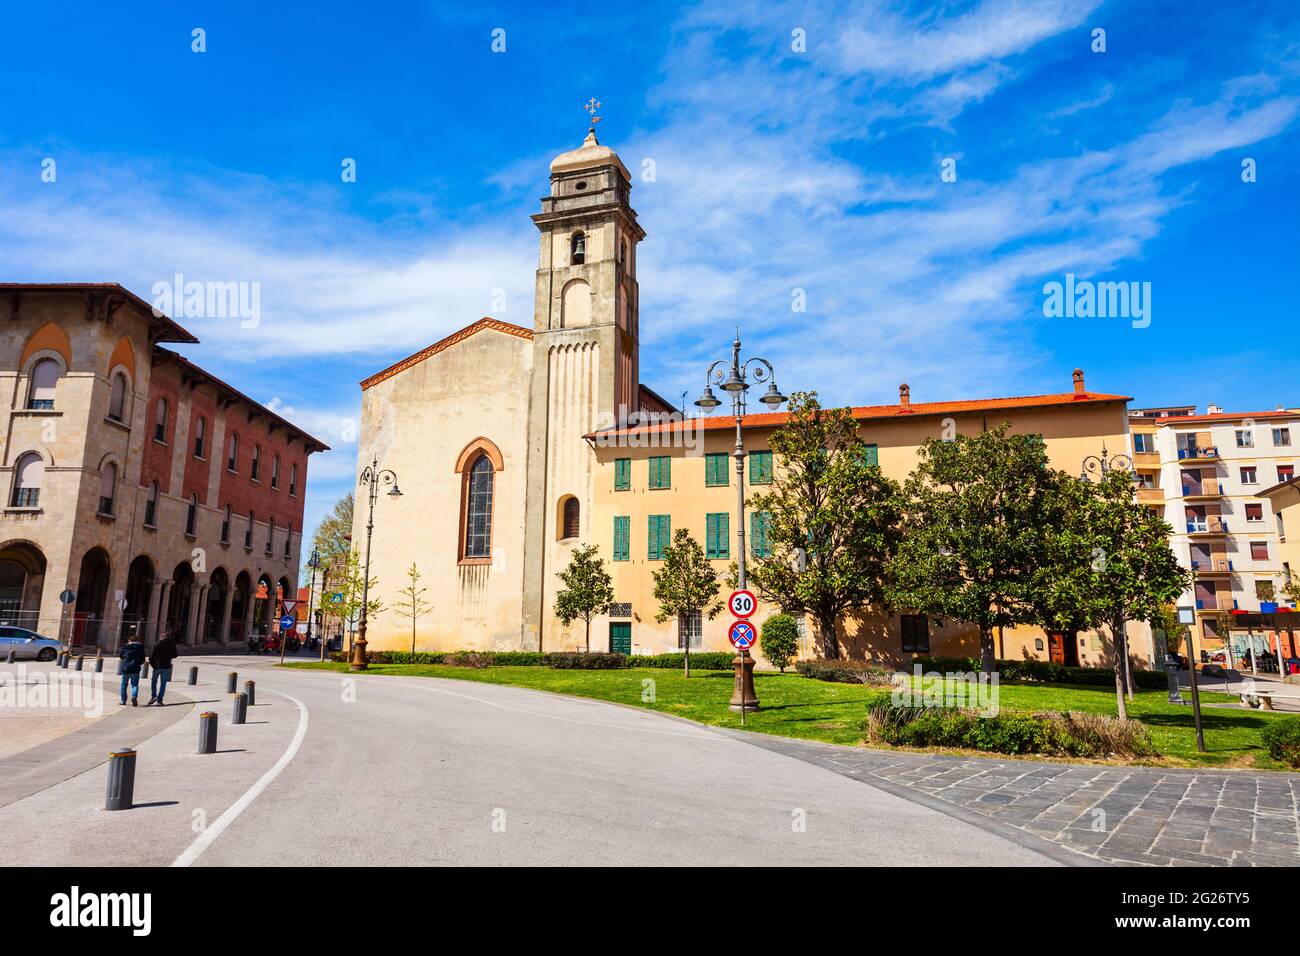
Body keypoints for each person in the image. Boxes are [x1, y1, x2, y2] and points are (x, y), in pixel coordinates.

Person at [146, 632, 178, 706]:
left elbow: (151, 656)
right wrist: (168, 656)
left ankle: (154, 696)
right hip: (166, 666)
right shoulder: (171, 644)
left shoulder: (156, 644)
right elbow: (175, 655)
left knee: (154, 681)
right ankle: (159, 700)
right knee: (163, 683)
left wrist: (152, 664)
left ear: (161, 636)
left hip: (157, 666)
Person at [118, 634, 146, 706]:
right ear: (137, 640)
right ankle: (134, 696)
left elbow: (121, 656)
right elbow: (143, 658)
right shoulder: (140, 647)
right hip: (135, 668)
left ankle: (123, 700)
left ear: (129, 640)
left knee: (124, 685)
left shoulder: (124, 647)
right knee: (134, 684)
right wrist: (139, 663)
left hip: (126, 668)